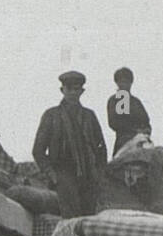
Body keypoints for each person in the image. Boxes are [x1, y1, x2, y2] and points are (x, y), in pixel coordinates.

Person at [33, 70, 108, 217]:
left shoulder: (89, 116)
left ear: (82, 91)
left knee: (87, 220)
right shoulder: (51, 115)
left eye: (77, 89)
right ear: (62, 90)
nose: (73, 93)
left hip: (88, 178)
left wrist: (98, 176)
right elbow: (38, 151)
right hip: (63, 175)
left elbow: (101, 149)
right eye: (69, 89)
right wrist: (53, 175)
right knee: (70, 219)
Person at [106, 67, 152, 156]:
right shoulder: (116, 100)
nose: (124, 85)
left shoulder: (136, 102)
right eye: (121, 82)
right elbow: (115, 123)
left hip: (142, 141)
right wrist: (134, 130)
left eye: (126, 82)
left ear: (131, 83)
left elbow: (146, 121)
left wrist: (145, 131)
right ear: (117, 83)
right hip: (124, 141)